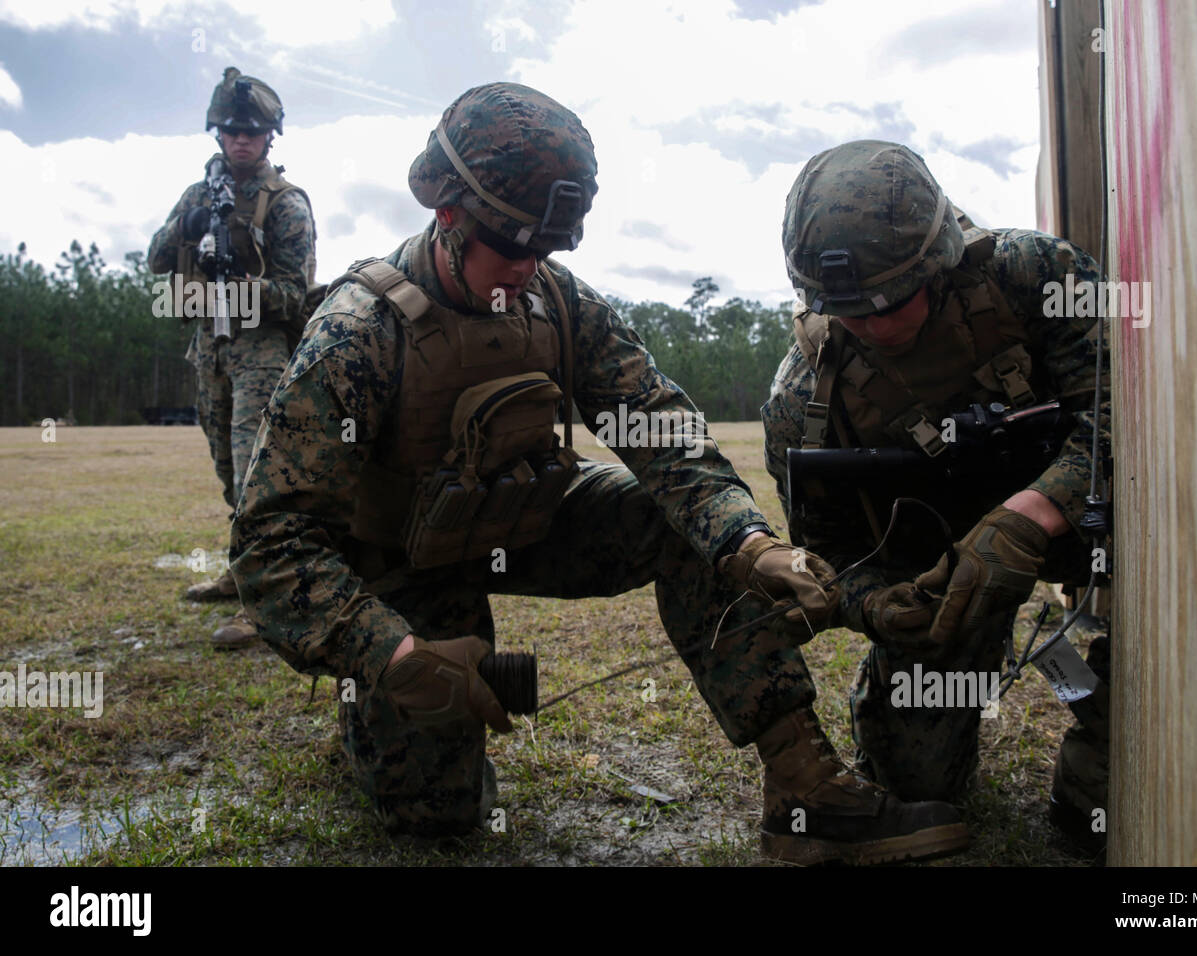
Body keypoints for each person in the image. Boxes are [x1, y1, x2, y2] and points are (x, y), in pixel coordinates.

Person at [229, 83, 970, 865]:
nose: (524, 269)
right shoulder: (357, 334)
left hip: (524, 517)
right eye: (509, 247)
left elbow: (662, 435)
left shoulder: (558, 301)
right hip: (399, 566)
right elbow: (270, 545)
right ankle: (367, 731)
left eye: (542, 251)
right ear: (447, 215)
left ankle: (805, 790)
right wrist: (391, 654)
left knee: (691, 527)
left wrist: (748, 543)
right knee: (434, 815)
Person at [761, 140, 1111, 852]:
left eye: (890, 300)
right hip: (944, 583)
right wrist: (879, 607)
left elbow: (1127, 426)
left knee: (1160, 542)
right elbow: (828, 557)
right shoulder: (804, 399)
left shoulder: (1035, 276)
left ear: (941, 257)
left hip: (1086, 523)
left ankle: (1102, 739)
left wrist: (1031, 516)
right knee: (916, 779)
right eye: (843, 308)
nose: (872, 325)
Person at [147, 67, 317, 648]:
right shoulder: (198, 195)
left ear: (270, 138)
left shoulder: (287, 203)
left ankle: (262, 600)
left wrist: (244, 283)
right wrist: (184, 230)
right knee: (227, 470)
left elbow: (297, 293)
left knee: (255, 472)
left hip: (261, 349)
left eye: (253, 132)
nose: (241, 140)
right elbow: (154, 262)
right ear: (217, 135)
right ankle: (243, 569)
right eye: (231, 131)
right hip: (210, 348)